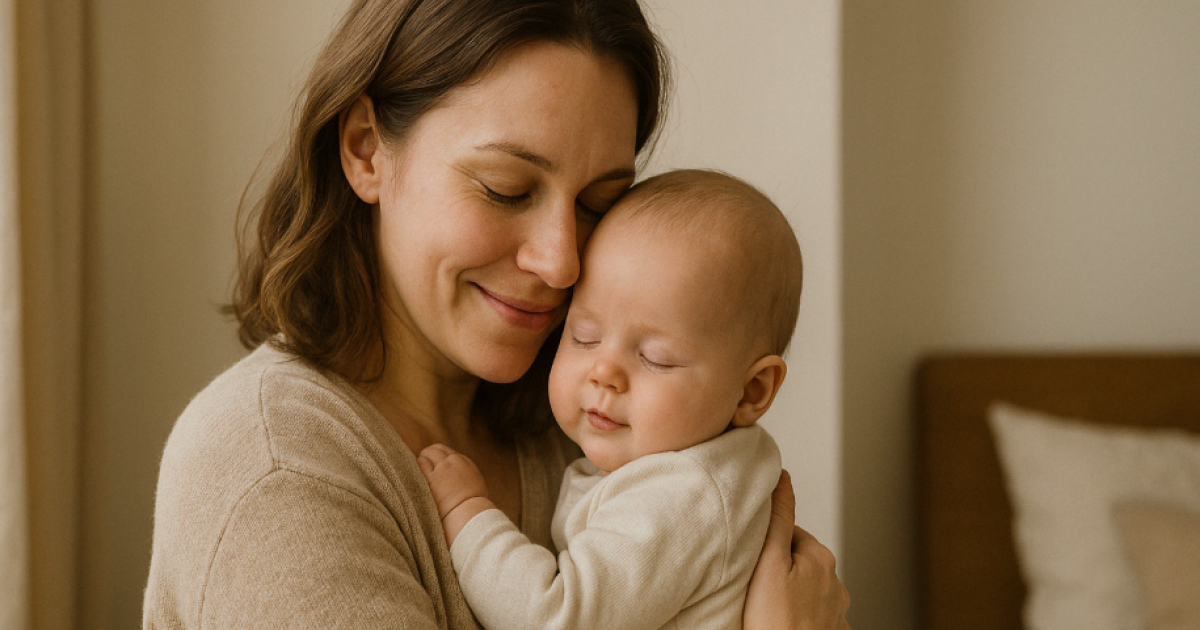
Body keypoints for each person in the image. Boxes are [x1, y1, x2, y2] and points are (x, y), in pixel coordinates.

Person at [141, 1, 850, 628]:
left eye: (597, 203)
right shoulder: (276, 466)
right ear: (365, 151)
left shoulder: (587, 429)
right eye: (506, 189)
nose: (562, 261)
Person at [418, 169, 800, 629]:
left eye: (656, 358)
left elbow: (553, 617)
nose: (604, 374)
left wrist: (468, 514)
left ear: (752, 391)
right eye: (583, 336)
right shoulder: (698, 467)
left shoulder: (682, 497)